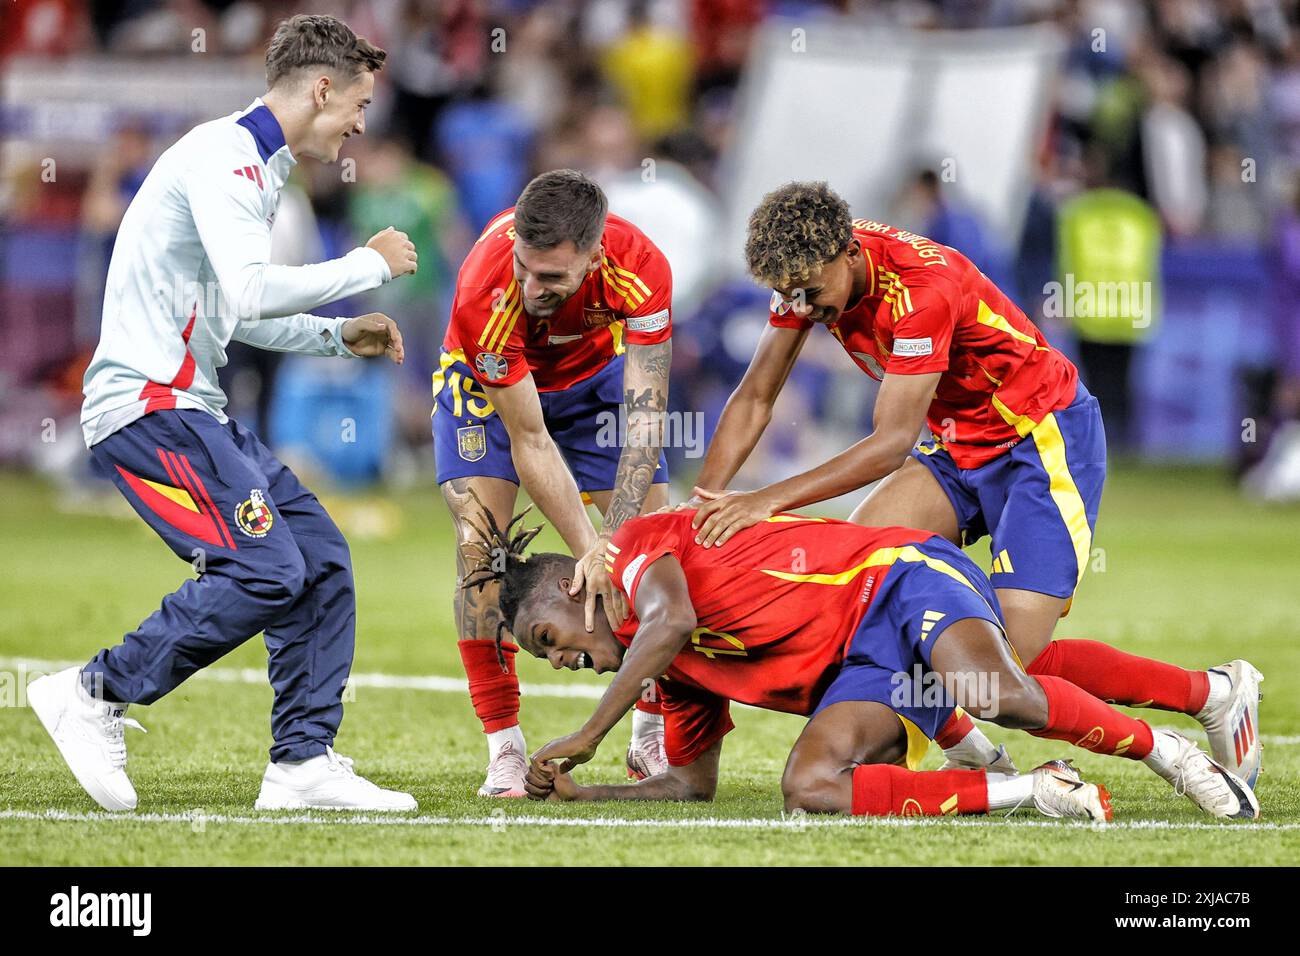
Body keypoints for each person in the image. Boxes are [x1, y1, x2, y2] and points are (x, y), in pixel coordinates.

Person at [687, 181, 1262, 788]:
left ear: (851, 253)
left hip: (1039, 441)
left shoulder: (920, 290)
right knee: (863, 589)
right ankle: (962, 741)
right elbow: (755, 396)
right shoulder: (810, 273)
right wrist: (701, 509)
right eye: (787, 296)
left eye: (809, 293)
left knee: (1006, 663)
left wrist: (766, 498)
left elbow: (889, 443)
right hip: (958, 445)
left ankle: (1212, 693)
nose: (800, 307)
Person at [28, 14, 419, 812]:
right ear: (321, 89)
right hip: (149, 406)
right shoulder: (227, 157)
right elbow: (247, 289)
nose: (359, 124)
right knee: (266, 566)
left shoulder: (256, 164)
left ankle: (301, 764)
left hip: (192, 405)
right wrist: (361, 265)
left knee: (319, 559)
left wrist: (337, 335)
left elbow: (232, 312)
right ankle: (95, 692)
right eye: (359, 105)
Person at [468, 508, 1257, 820]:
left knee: (998, 687)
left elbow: (671, 619)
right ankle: (1035, 790)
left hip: (898, 574)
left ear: (575, 585)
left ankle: (1174, 754)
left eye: (546, 638)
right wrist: (588, 791)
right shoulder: (673, 672)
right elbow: (691, 783)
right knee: (808, 788)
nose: (562, 661)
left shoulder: (636, 553)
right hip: (869, 660)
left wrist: (591, 733)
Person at [436, 170, 673, 796]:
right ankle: (505, 750)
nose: (529, 286)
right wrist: (590, 546)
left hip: (596, 382)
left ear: (595, 255)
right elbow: (530, 439)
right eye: (524, 267)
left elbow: (646, 419)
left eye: (551, 278)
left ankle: (649, 736)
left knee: (654, 556)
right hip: (493, 395)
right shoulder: (484, 291)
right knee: (479, 558)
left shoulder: (643, 268)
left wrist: (617, 544)